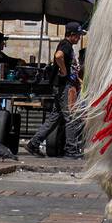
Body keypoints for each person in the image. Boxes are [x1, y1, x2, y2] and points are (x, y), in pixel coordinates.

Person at [27, 22, 83, 157]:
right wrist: (64, 71)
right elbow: (58, 56)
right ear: (72, 35)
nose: (80, 38)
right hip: (65, 87)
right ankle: (71, 150)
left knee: (54, 117)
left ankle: (33, 144)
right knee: (71, 118)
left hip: (62, 87)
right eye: (79, 35)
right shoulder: (66, 45)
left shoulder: (66, 45)